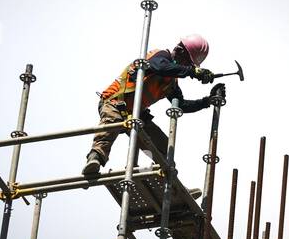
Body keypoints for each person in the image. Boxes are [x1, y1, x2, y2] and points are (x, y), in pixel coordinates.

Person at [83, 34, 216, 176]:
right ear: (180, 50)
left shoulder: (171, 82)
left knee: (163, 147)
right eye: (188, 63)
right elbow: (160, 67)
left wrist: (207, 101)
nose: (187, 66)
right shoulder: (159, 56)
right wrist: (191, 72)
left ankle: (162, 178)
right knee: (109, 128)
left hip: (136, 114)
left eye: (190, 65)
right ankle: (95, 159)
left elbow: (181, 105)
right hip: (115, 103)